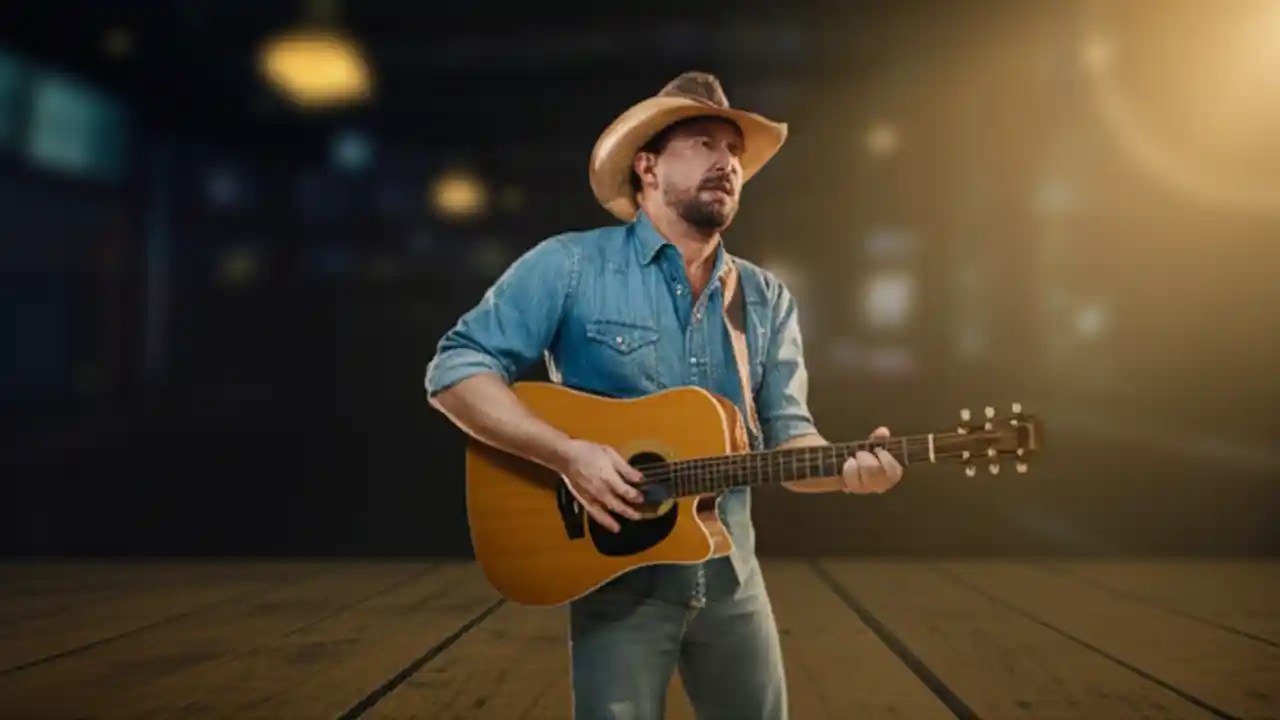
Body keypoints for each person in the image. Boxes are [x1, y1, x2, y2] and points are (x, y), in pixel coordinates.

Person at [424, 71, 905, 720]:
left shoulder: (766, 299)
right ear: (647, 166)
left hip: (734, 581)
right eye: (703, 143)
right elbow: (455, 369)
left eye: (734, 152)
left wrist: (850, 476)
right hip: (614, 581)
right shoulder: (569, 265)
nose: (727, 163)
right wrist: (568, 454)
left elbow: (792, 441)